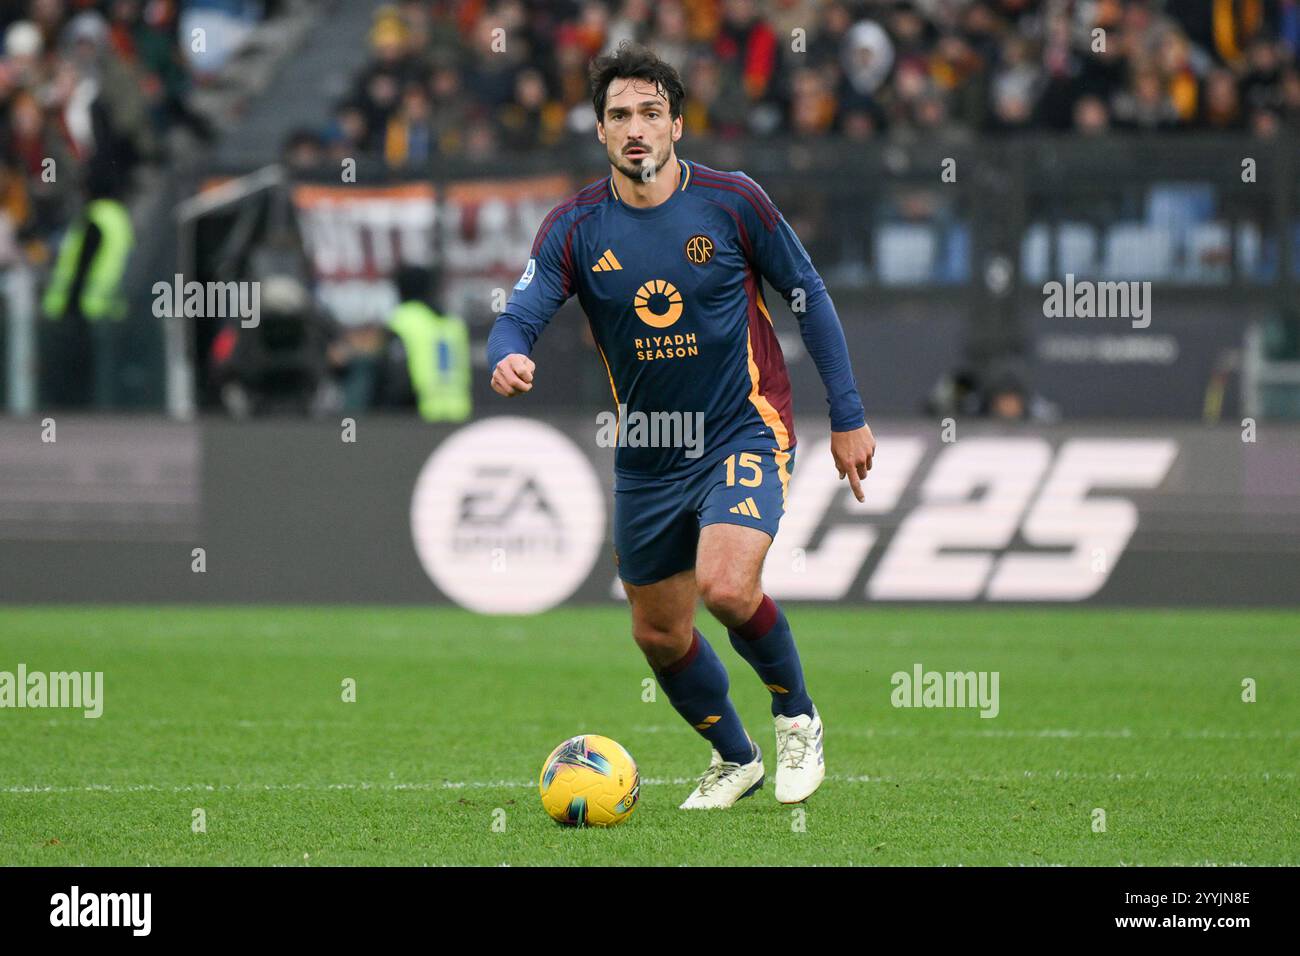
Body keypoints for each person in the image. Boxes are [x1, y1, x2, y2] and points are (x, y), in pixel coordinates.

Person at [486, 42, 874, 810]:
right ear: (599, 131)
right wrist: (507, 355)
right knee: (659, 635)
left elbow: (808, 293)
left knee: (727, 588)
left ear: (677, 126)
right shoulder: (573, 227)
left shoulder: (732, 202)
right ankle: (736, 758)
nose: (637, 129)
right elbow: (521, 313)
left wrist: (850, 416)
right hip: (650, 454)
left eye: (651, 113)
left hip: (743, 428)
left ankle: (797, 715)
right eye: (620, 115)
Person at [379, 265, 471, 422]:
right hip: (459, 411)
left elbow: (397, 377)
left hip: (420, 414)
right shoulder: (453, 323)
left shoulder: (402, 319)